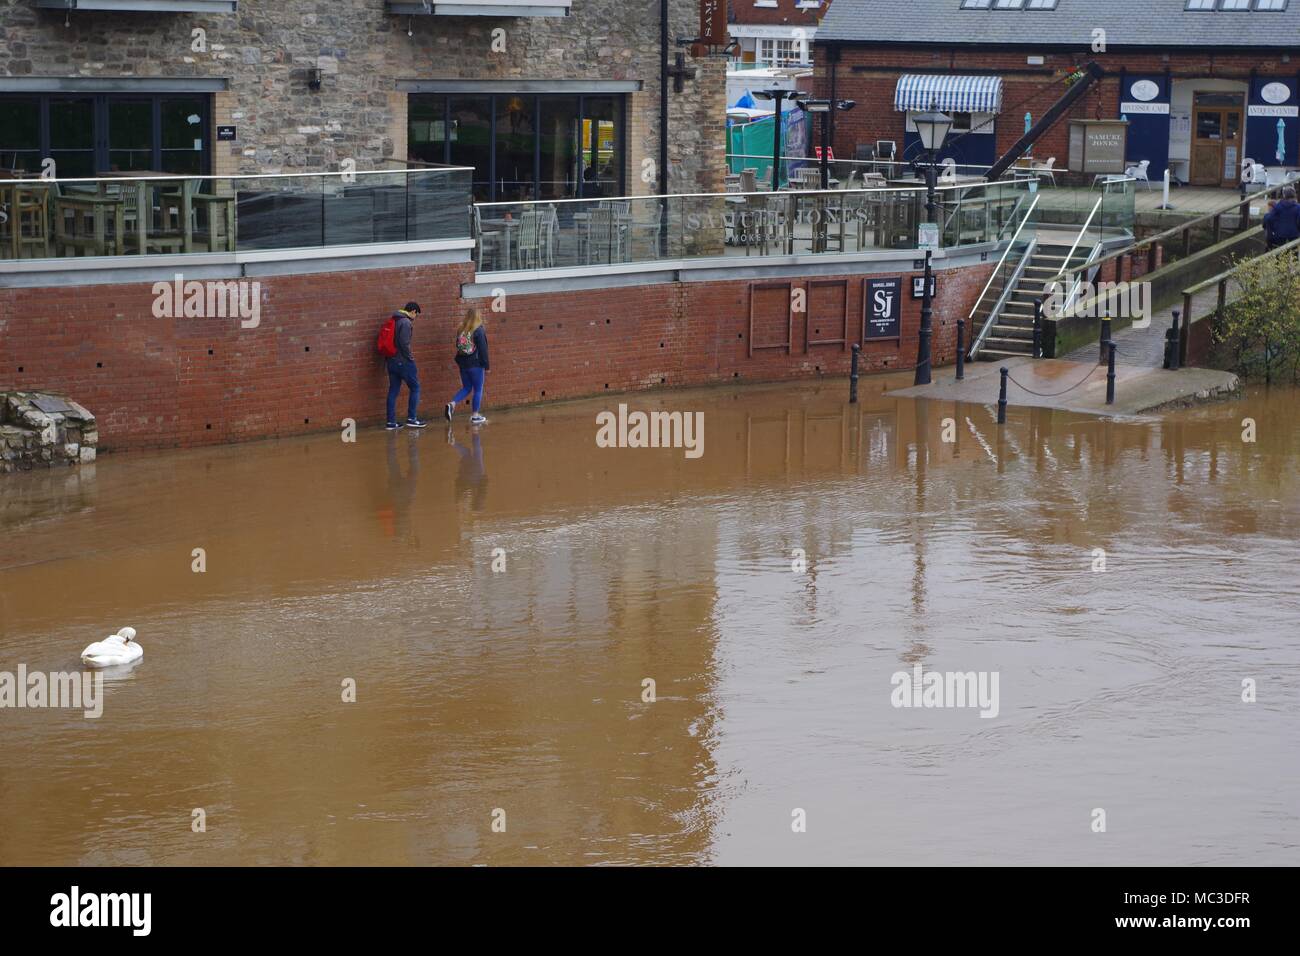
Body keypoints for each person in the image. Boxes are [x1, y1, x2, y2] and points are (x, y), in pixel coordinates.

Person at [386, 301, 428, 430]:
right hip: (403, 362)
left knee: (393, 390)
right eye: (417, 314)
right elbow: (404, 343)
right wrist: (410, 358)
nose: (415, 317)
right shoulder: (405, 322)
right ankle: (412, 419)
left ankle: (391, 422)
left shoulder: (395, 319)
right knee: (415, 387)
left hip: (391, 361)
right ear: (413, 311)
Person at [445, 308, 490, 426]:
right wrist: (486, 366)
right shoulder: (478, 330)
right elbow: (483, 350)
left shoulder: (461, 329)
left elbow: (457, 345)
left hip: (463, 364)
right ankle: (475, 416)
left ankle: (452, 404)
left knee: (466, 387)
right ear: (478, 317)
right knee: (478, 389)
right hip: (476, 364)